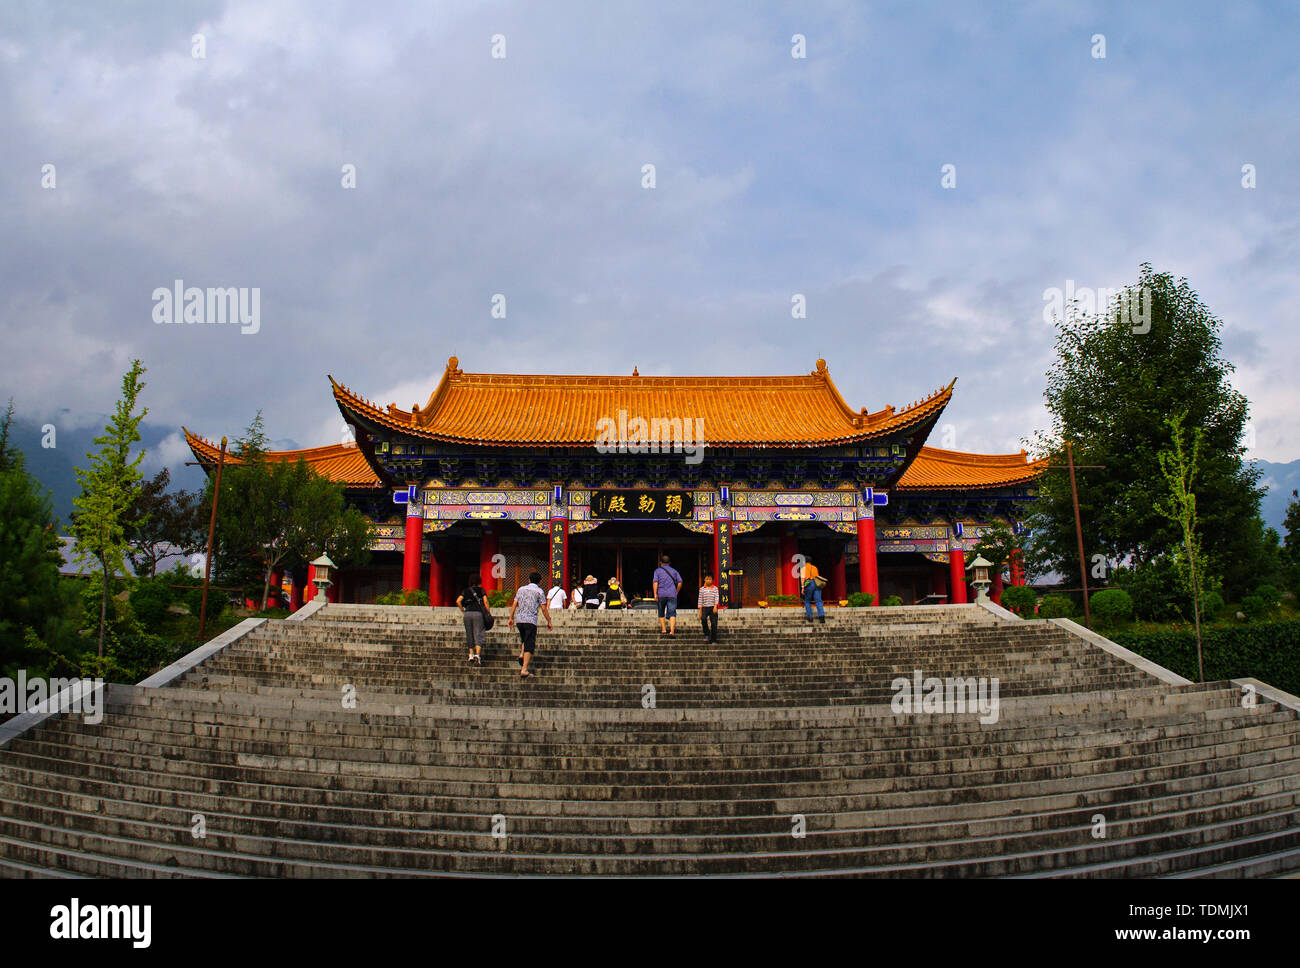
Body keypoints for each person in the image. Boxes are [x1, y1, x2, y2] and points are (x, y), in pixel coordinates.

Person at [509, 571, 551, 678]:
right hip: (530, 620)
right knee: (529, 643)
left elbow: (514, 603)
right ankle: (524, 669)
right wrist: (549, 620)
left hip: (520, 619)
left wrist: (511, 617)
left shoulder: (521, 589)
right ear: (540, 581)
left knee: (524, 638)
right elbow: (543, 608)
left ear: (529, 580)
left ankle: (522, 654)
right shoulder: (539, 591)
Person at [456, 579, 490, 665]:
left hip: (467, 614)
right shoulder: (481, 590)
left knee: (469, 633)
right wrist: (488, 612)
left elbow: (458, 601)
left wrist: (463, 610)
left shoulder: (465, 591)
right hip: (478, 613)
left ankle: (471, 654)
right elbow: (485, 601)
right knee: (479, 633)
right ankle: (477, 655)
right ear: (479, 582)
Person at [652, 554, 683, 637]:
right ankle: (672, 631)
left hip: (661, 594)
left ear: (660, 563)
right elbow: (680, 582)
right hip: (672, 594)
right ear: (669, 563)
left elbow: (655, 582)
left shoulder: (657, 571)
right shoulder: (674, 571)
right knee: (672, 612)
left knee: (661, 611)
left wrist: (655, 594)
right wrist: (676, 591)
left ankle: (664, 629)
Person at [801, 557, 825, 624]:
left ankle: (810, 616)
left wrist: (802, 587)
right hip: (816, 583)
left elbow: (803, 579)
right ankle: (821, 616)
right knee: (818, 600)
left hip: (808, 583)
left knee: (807, 601)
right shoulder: (815, 568)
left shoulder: (803, 568)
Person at [698, 572, 720, 644]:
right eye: (707, 579)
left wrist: (715, 606)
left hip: (712, 607)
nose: (708, 580)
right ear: (704, 579)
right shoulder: (702, 589)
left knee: (714, 623)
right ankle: (707, 634)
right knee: (703, 619)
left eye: (710, 579)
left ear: (712, 580)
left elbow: (716, 597)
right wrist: (700, 610)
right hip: (704, 607)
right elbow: (700, 599)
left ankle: (714, 639)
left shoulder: (715, 589)